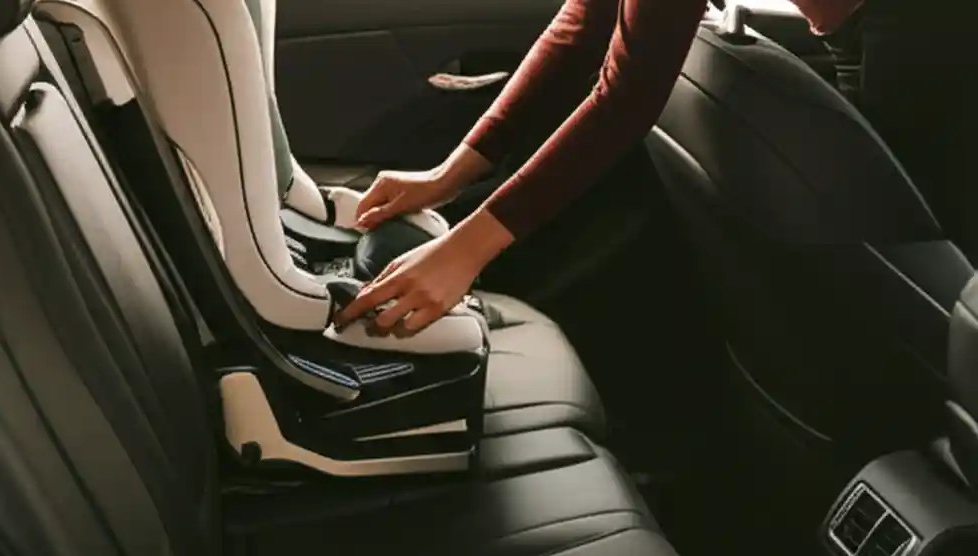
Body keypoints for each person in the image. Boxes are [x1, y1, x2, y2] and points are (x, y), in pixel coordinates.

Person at [335, 0, 967, 334]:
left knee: (925, 273)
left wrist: (467, 249)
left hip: (933, 27)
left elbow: (629, 90)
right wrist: (451, 174)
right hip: (873, 28)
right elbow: (587, 21)